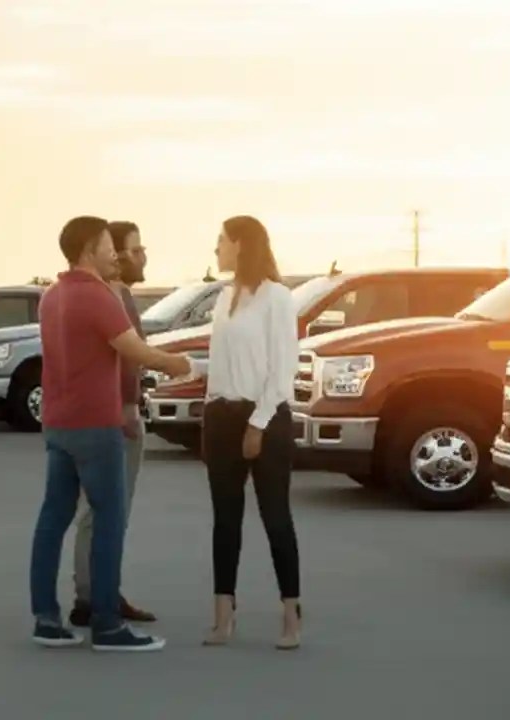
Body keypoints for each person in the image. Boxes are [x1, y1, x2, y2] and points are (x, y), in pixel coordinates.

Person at [29, 215, 191, 652]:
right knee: (108, 522)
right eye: (106, 244)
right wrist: (176, 364)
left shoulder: (51, 296)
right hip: (96, 427)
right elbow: (132, 349)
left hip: (58, 423)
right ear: (87, 248)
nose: (113, 252)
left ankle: (46, 618)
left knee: (53, 519)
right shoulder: (98, 296)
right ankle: (107, 625)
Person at [199, 215, 302, 650]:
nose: (216, 249)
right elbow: (222, 364)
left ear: (241, 244)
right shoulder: (224, 298)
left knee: (275, 517)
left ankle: (292, 616)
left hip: (265, 419)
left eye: (221, 241)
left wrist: (257, 424)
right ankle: (223, 618)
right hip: (220, 418)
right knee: (225, 521)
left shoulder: (277, 298)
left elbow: (283, 369)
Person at [68, 220, 157, 628]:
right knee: (109, 511)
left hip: (90, 416)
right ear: (117, 256)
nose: (143, 257)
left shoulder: (100, 294)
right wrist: (127, 405)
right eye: (136, 250)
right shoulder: (115, 296)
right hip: (115, 417)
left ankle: (91, 593)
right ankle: (98, 596)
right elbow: (127, 355)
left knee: (95, 509)